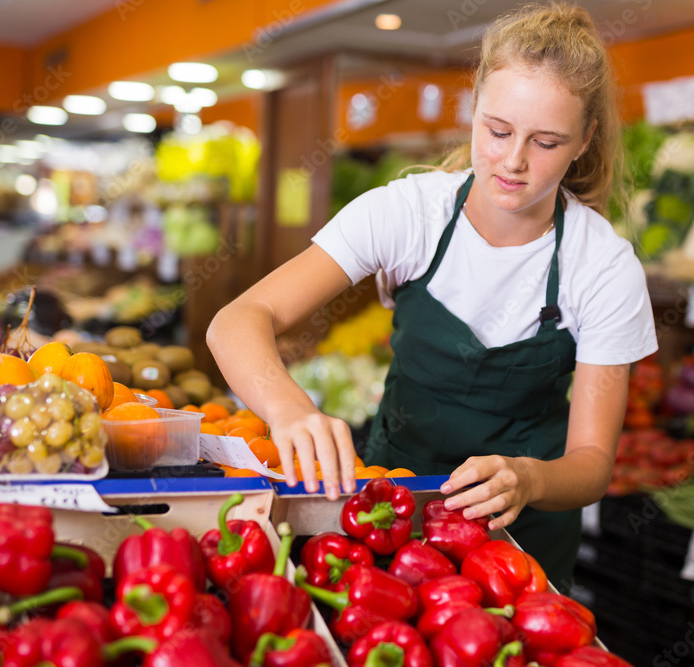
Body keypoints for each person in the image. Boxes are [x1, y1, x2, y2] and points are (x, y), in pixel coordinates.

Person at [207, 2, 657, 588]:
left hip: (520, 540)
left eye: (546, 142)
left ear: (584, 140)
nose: (513, 161)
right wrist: (291, 410)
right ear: (474, 110)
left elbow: (592, 465)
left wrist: (528, 479)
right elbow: (238, 319)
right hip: (389, 508)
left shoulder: (603, 265)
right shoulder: (408, 213)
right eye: (497, 131)